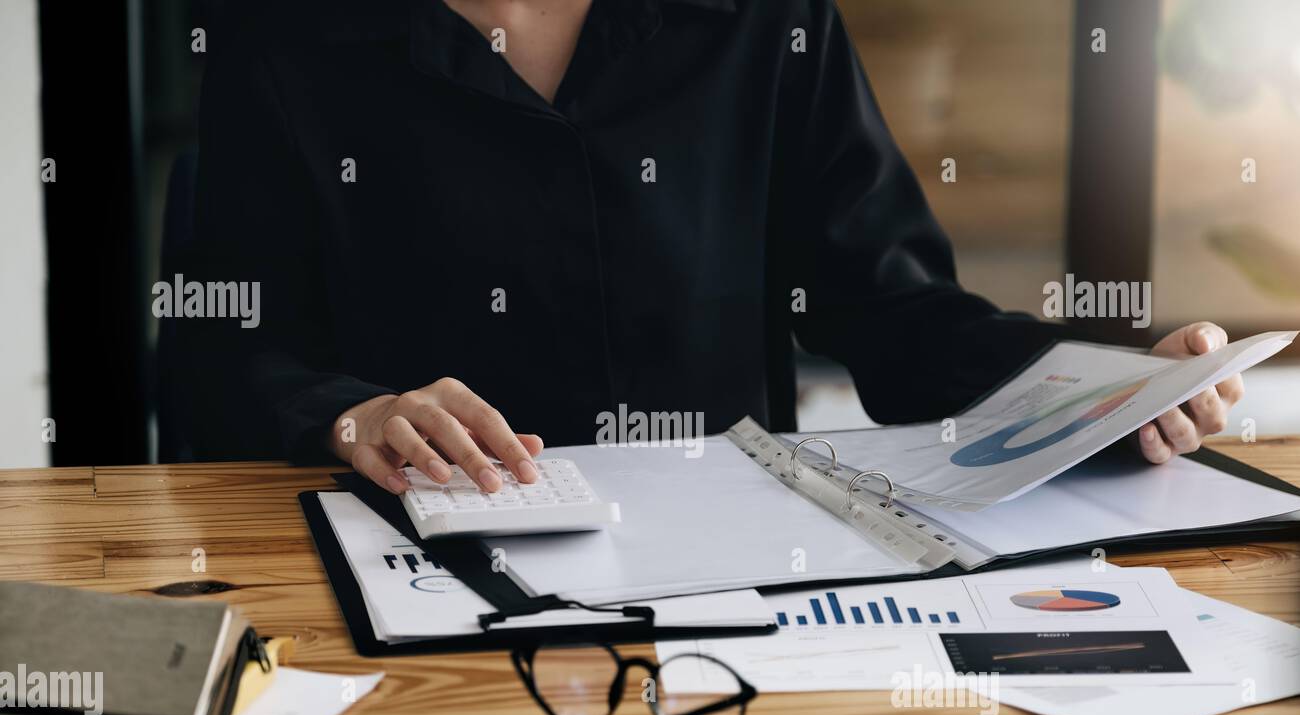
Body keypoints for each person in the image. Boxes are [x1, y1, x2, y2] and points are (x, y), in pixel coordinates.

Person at [182, 0, 1243, 494]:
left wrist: (1104, 390)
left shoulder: (762, 20)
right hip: (414, 562)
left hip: (734, 578)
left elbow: (891, 312)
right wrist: (347, 412)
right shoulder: (284, 39)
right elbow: (221, 351)